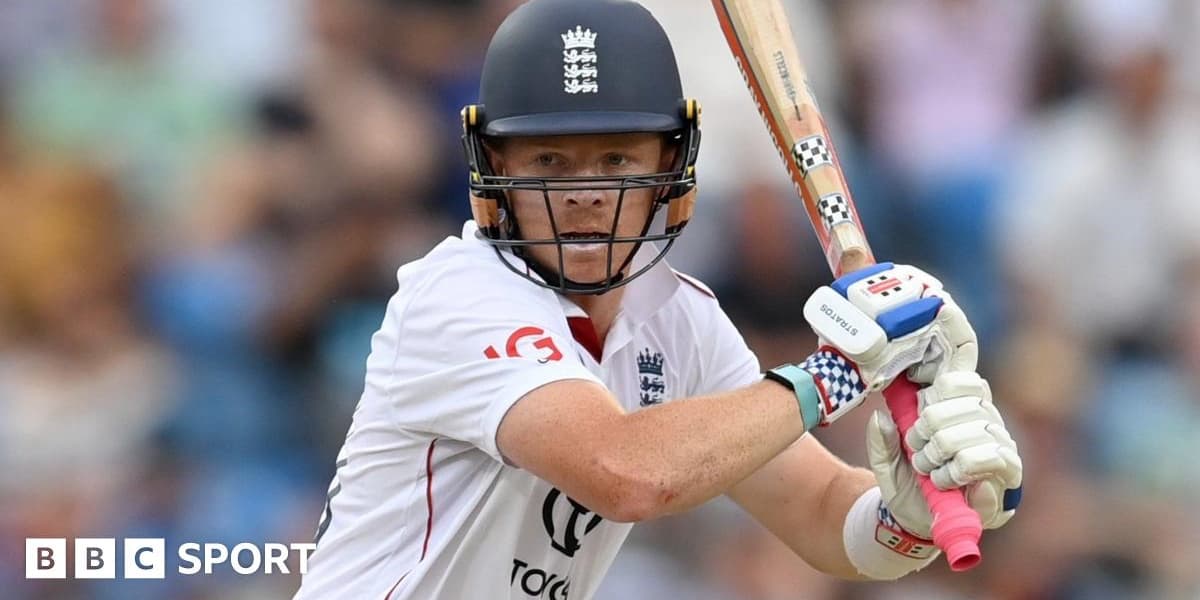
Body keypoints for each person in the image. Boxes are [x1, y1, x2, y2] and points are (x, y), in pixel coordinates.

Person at [292, 1, 1022, 598]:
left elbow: (822, 512)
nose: (583, 193)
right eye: (549, 162)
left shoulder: (680, 318)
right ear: (495, 173)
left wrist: (906, 519)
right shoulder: (456, 296)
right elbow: (625, 473)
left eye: (616, 159)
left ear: (669, 168)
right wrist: (841, 371)